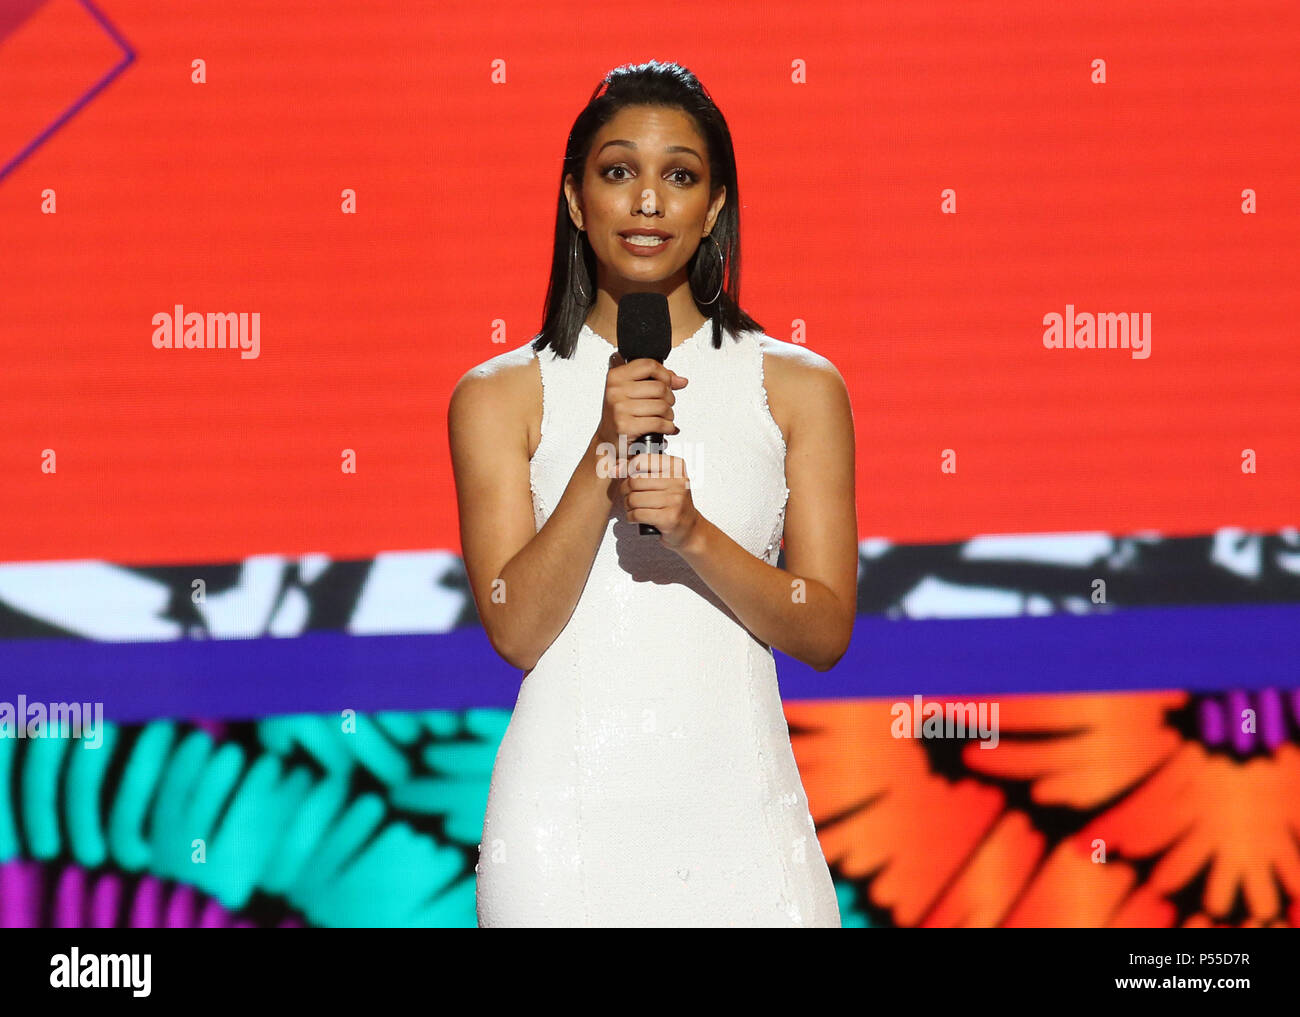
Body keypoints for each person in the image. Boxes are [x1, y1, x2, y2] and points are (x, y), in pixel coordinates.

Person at [448, 60, 856, 927]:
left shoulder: (795, 386)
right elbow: (516, 629)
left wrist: (696, 534)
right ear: (573, 196)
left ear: (712, 208)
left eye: (679, 175)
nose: (646, 201)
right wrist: (602, 453)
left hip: (745, 822)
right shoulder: (499, 395)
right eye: (618, 170)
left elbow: (823, 631)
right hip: (564, 835)